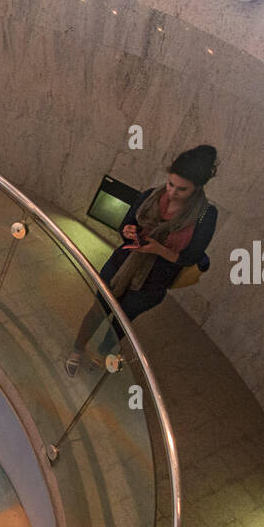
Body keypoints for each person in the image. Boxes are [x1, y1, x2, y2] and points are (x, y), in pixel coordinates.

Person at [65, 144, 219, 377]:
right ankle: (77, 349)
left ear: (197, 189)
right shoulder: (152, 196)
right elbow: (125, 225)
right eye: (170, 184)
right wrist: (127, 231)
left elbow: (190, 257)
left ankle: (102, 354)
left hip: (153, 282)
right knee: (98, 308)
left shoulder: (206, 214)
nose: (172, 193)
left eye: (181, 189)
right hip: (122, 264)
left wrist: (158, 250)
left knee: (121, 321)